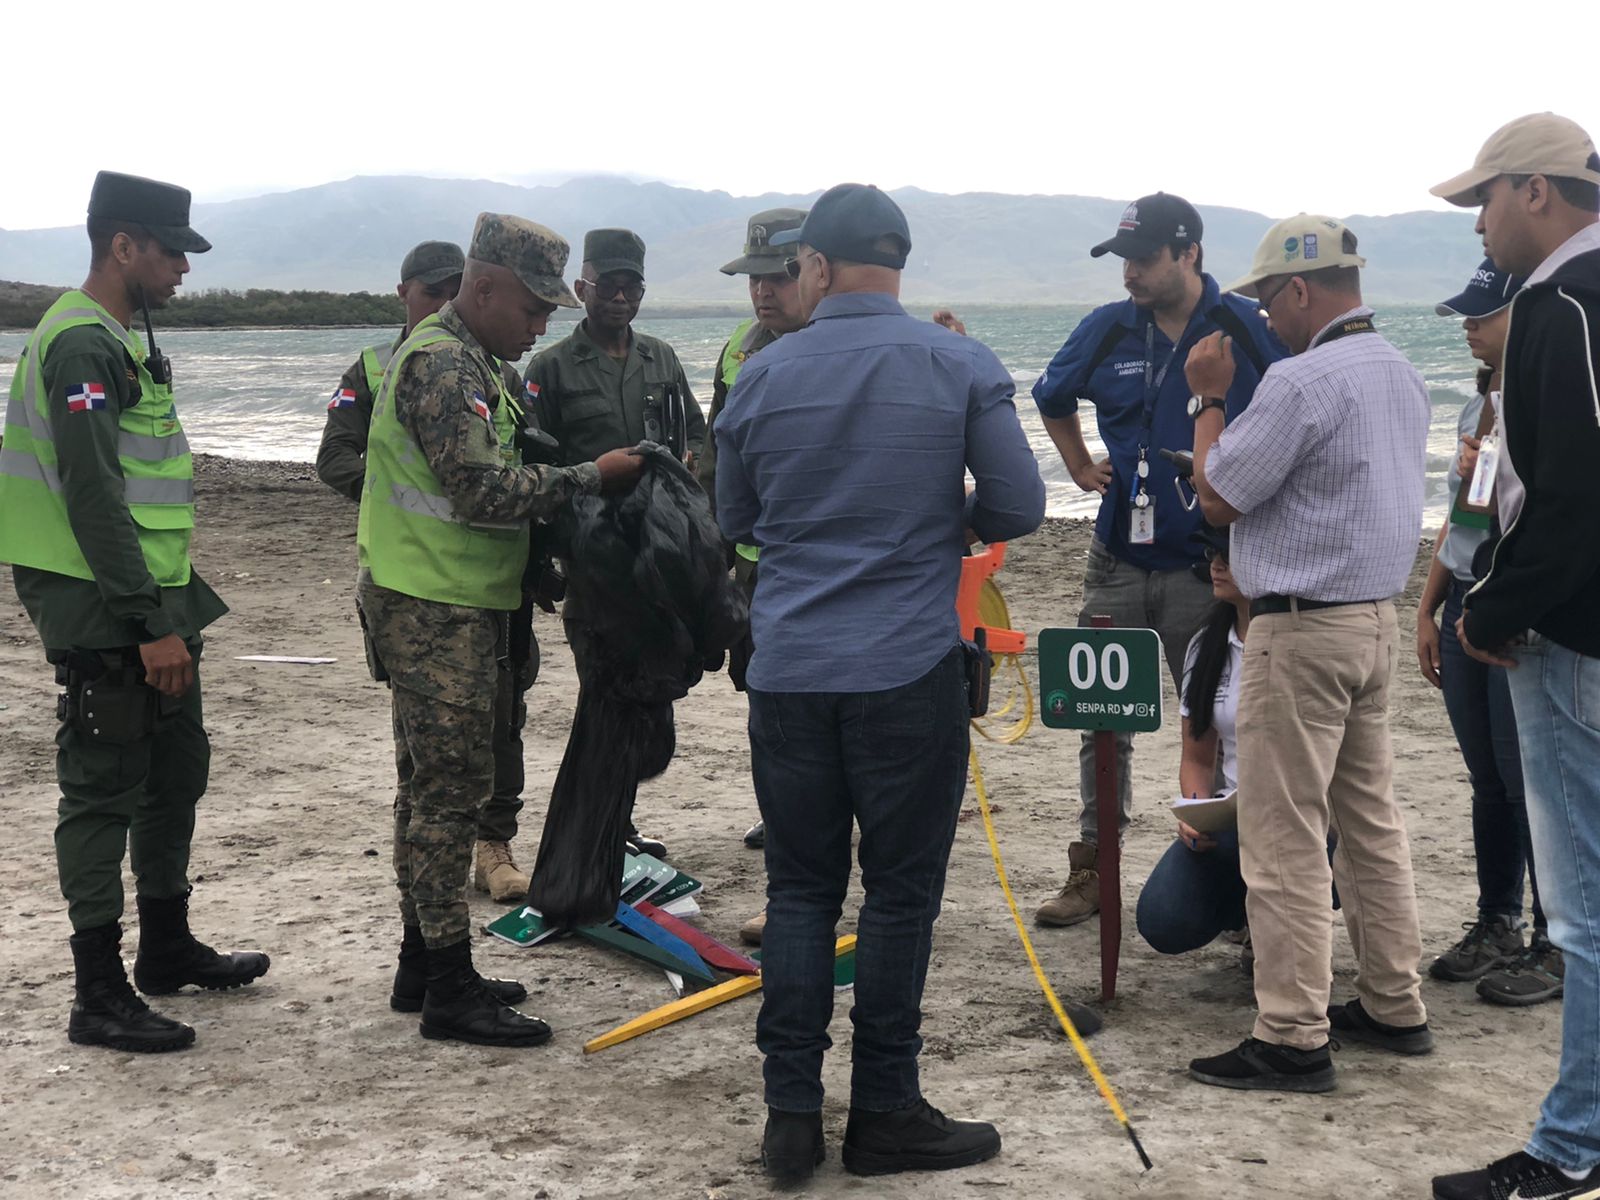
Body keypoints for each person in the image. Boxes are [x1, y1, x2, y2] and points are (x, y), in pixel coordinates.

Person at [716, 183, 1045, 1181]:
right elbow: (1021, 506)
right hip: (906, 668)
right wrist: (939, 520)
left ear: (815, 266)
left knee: (802, 887)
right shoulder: (956, 363)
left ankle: (789, 1115)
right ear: (895, 265)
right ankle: (887, 1110)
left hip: (791, 673)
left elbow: (736, 520)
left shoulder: (761, 376)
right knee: (900, 896)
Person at [355, 211, 644, 1047]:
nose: (544, 324)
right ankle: (447, 986)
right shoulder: (444, 364)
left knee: (427, 792)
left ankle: (426, 959)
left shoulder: (476, 358)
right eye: (532, 307)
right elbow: (484, 491)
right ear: (482, 288)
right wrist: (595, 475)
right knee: (449, 797)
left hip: (451, 599)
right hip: (431, 607)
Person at [0, 171, 270, 1053]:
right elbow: (92, 495)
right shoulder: (80, 344)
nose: (183, 270)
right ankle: (98, 992)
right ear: (124, 246)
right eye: (171, 252)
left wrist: (164, 608)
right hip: (103, 603)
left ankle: (165, 947)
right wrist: (146, 622)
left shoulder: (116, 336)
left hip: (151, 593)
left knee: (175, 769)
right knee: (102, 790)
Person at [1182, 214, 1433, 1093]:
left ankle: (1291, 1033)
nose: (1262, 318)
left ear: (1299, 288)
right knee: (1370, 820)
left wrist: (1209, 399)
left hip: (1300, 625)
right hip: (1372, 617)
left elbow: (1218, 497)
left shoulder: (1299, 379)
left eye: (1265, 300)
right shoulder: (1402, 372)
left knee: (1284, 834)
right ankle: (1395, 1002)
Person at [1030, 192, 1286, 928]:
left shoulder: (1243, 329)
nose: (1130, 274)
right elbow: (1052, 396)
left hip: (1209, 565)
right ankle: (1092, 870)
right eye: (1123, 261)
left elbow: (1297, 410)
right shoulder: (1108, 330)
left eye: (1143, 260)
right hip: (1115, 555)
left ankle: (1250, 882)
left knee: (1223, 719)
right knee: (1099, 723)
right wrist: (1080, 466)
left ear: (1190, 254)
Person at [1429, 111, 1600, 1200]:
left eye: (1483, 200)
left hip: (1574, 639)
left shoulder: (1558, 302)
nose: (1479, 224)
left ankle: (1570, 1146)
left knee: (1581, 909)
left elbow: (1569, 497)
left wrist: (1483, 612)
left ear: (1535, 191)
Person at [316, 240, 539, 904]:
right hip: (424, 585)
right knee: (437, 758)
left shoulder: (496, 368)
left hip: (491, 578)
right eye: (431, 291)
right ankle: (438, 933)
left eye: (451, 290)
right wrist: (422, 501)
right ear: (403, 292)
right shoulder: (380, 366)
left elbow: (517, 455)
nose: (442, 302)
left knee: (502, 716)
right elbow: (337, 458)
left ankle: (492, 844)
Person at [524, 227, 700, 858]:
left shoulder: (661, 358)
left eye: (633, 287)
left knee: (651, 692)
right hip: (592, 560)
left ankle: (618, 820)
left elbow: (695, 445)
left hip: (658, 557)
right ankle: (604, 830)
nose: (621, 298)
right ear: (583, 288)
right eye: (610, 286)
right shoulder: (550, 367)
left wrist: (697, 526)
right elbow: (531, 464)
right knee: (604, 691)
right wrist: (542, 558)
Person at [1417, 259, 1558, 1004]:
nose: (1470, 328)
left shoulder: (1545, 401)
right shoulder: (1478, 410)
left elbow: (1548, 521)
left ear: (1519, 317)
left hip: (1513, 601)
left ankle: (1551, 938)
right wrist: (1428, 606)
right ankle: (1495, 921)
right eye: (1465, 317)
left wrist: (1499, 476)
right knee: (1489, 780)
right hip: (1466, 593)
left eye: (1482, 315)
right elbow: (1459, 521)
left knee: (1530, 777)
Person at [692, 206, 808, 943]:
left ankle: (804, 859)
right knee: (765, 704)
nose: (763, 292)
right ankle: (790, 825)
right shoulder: (740, 347)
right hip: (756, 564)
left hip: (821, 569)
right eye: (754, 278)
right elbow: (715, 453)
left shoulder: (845, 346)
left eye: (779, 276)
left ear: (818, 269)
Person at [1134, 528, 1251, 963]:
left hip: (1303, 821)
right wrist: (1196, 812)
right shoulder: (1209, 641)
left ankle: (1271, 922)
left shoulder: (1298, 638)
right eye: (1211, 553)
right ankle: (1247, 914)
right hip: (1233, 818)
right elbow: (1198, 757)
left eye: (1229, 554)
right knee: (1163, 920)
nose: (1216, 564)